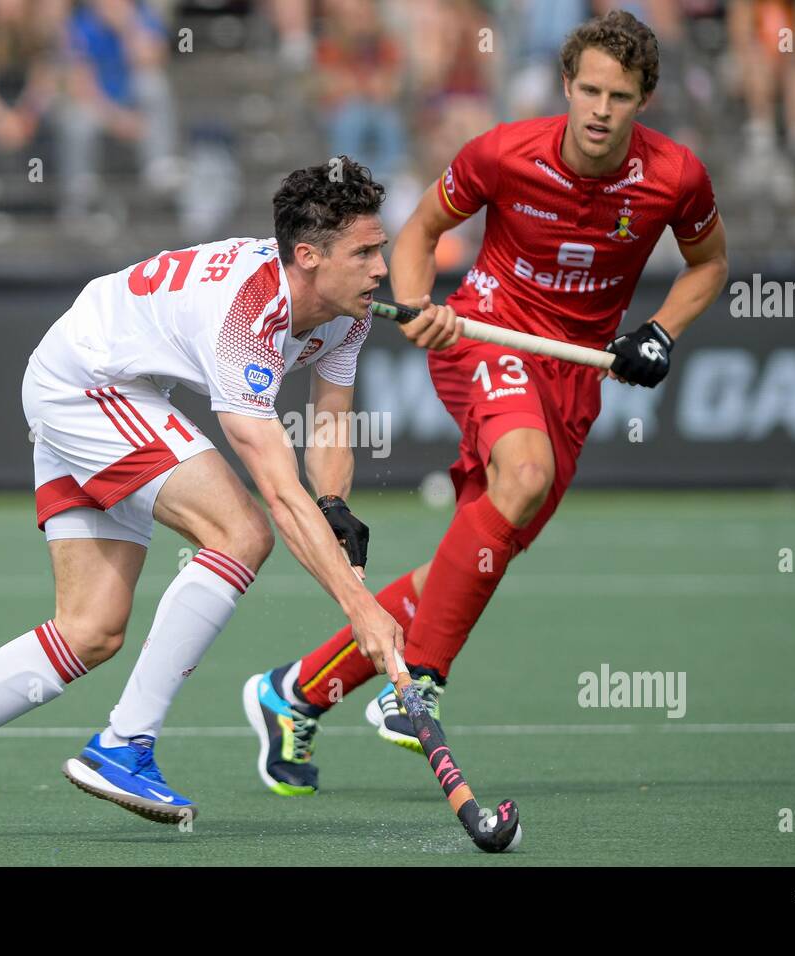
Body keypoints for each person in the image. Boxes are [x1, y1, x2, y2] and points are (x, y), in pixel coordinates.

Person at [0, 157, 460, 839]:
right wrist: (362, 611)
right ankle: (126, 746)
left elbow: (332, 415)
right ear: (307, 256)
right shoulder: (246, 318)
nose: (381, 267)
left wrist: (335, 505)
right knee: (242, 531)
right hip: (88, 385)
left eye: (381, 247)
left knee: (91, 629)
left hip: (93, 382)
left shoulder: (348, 308)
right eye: (366, 252)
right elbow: (281, 496)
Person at [244, 10, 728, 797]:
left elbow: (708, 264)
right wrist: (415, 309)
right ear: (567, 85)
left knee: (464, 563)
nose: (602, 110)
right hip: (488, 336)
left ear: (646, 100)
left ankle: (292, 691)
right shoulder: (504, 152)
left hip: (575, 375)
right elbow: (419, 233)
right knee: (524, 473)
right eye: (591, 90)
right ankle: (420, 685)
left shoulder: (676, 176)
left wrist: (663, 332)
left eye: (622, 96)